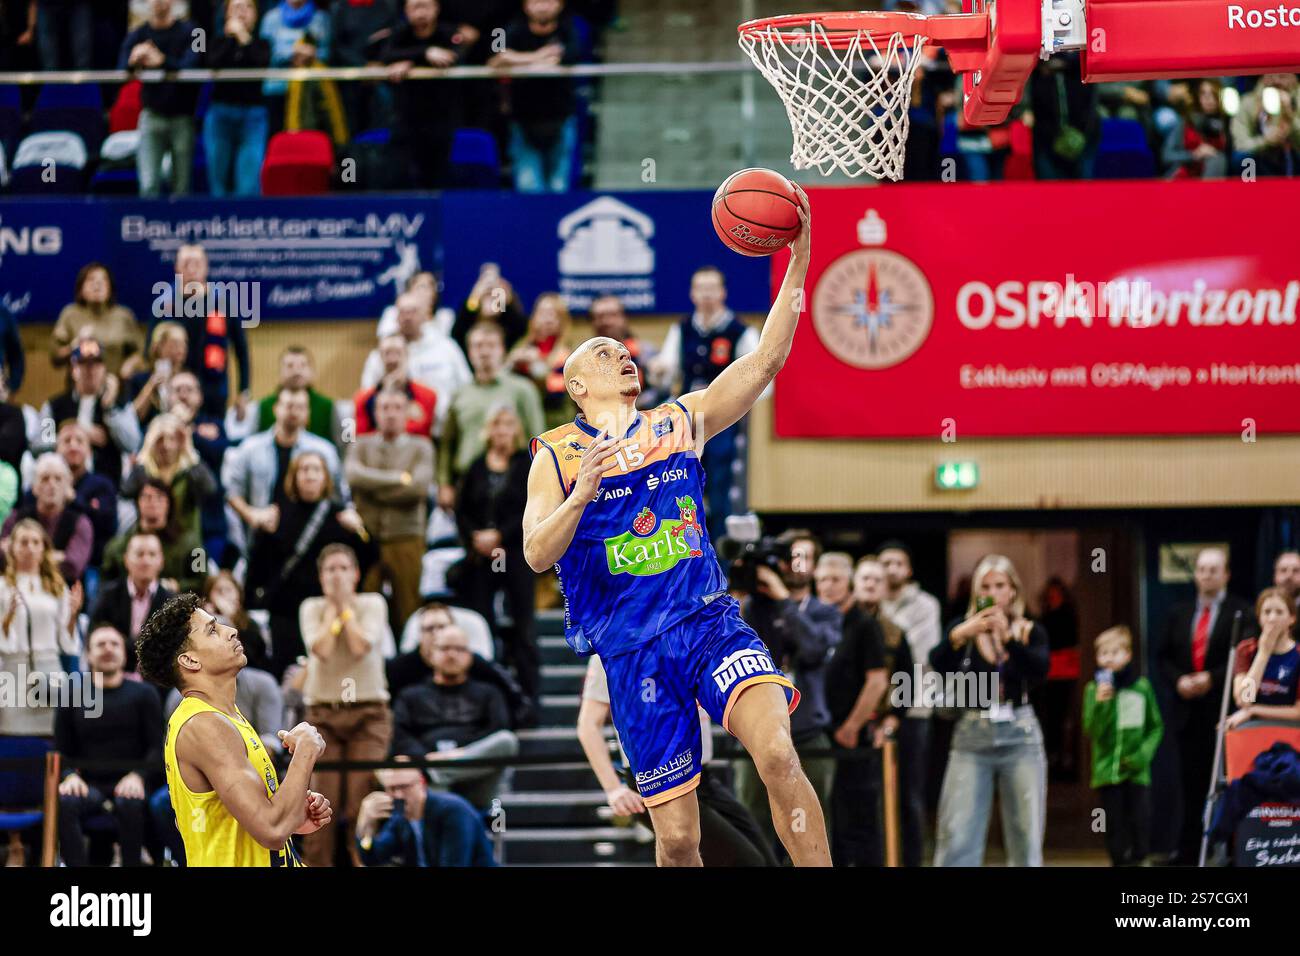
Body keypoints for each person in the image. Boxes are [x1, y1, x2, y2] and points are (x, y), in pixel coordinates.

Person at [522, 190, 829, 867]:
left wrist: (798, 263)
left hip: (707, 619)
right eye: (603, 352)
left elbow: (765, 363)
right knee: (680, 839)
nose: (621, 353)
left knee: (777, 751)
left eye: (623, 348)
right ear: (576, 386)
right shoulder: (556, 452)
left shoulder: (677, 419)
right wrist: (581, 499)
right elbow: (536, 554)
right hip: (633, 651)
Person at [136, 592, 331, 866]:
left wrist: (294, 817)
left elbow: (240, 819)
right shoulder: (204, 725)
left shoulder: (224, 714)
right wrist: (306, 752)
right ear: (190, 661)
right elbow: (271, 829)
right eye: (213, 630)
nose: (232, 631)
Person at [577, 653, 776, 866]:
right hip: (657, 777)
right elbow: (588, 725)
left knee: (766, 859)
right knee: (745, 861)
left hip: (701, 777)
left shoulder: (684, 638)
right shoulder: (611, 648)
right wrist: (613, 789)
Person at [930, 553, 1049, 867]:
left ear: (1012, 591)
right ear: (975, 593)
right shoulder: (962, 630)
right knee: (958, 832)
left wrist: (1008, 640)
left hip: (1021, 736)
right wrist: (961, 634)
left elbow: (1039, 671)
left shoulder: (1028, 630)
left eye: (1000, 585)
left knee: (1025, 833)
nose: (993, 593)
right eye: (985, 586)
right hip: (972, 736)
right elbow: (938, 662)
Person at [731, 530, 840, 860]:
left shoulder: (825, 612)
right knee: (754, 825)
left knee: (811, 826)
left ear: (815, 565)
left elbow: (812, 649)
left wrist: (782, 599)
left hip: (809, 732)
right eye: (788, 558)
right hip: (757, 733)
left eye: (803, 557)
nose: (795, 565)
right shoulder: (754, 609)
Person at [647, 266, 760, 540]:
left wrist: (734, 400)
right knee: (681, 485)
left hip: (723, 422)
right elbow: (667, 370)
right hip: (687, 422)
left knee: (721, 489)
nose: (707, 295)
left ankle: (722, 559)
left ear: (722, 292)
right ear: (692, 294)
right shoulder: (683, 329)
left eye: (712, 288)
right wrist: (659, 369)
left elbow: (759, 378)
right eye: (701, 289)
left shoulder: (739, 331)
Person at [1156, 545, 1253, 864]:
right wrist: (1179, 681)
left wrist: (1211, 678)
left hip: (1224, 714)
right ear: (1195, 574)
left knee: (1228, 785)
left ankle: (1227, 851)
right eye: (1202, 569)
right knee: (1189, 787)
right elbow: (1163, 657)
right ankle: (1187, 853)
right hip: (1186, 716)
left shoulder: (1242, 612)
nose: (1207, 575)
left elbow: (1245, 657)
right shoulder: (1178, 612)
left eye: (1214, 569)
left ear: (1225, 574)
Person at [297, 543, 392, 866]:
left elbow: (360, 646)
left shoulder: (373, 603)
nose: (336, 576)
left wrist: (343, 610)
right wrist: (333, 611)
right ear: (320, 577)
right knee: (320, 805)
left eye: (342, 568)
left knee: (359, 803)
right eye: (329, 570)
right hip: (323, 715)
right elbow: (321, 649)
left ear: (356, 574)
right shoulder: (310, 607)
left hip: (369, 714)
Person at [245, 451, 372, 679]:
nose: (310, 475)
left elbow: (369, 559)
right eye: (304, 470)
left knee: (324, 670)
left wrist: (360, 530)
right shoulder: (277, 514)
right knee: (287, 674)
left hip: (327, 608)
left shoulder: (340, 516)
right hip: (285, 610)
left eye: (316, 470)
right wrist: (262, 531)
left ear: (326, 477)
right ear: (294, 477)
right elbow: (258, 565)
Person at [828, 555, 912, 866]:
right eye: (865, 578)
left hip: (875, 731)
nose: (870, 584)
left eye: (877, 580)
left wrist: (891, 722)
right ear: (854, 583)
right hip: (835, 726)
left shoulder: (893, 632)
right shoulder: (834, 621)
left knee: (874, 810)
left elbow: (905, 682)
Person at [55, 626, 162, 867]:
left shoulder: (145, 694)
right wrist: (69, 775)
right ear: (88, 655)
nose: (108, 649)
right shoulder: (72, 695)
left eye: (114, 644)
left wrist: (139, 776)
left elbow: (158, 747)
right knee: (66, 802)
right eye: (100, 644)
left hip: (132, 784)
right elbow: (61, 749)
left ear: (125, 654)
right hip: (88, 786)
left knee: (130, 802)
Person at [454, 405, 537, 699]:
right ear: (488, 429)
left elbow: (531, 506)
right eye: (496, 424)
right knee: (483, 624)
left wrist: (500, 534)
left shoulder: (526, 464)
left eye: (507, 424)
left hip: (514, 553)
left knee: (522, 627)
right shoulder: (476, 466)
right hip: (481, 558)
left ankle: (528, 696)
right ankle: (492, 694)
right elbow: (461, 509)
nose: (501, 430)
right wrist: (476, 538)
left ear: (516, 429)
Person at [390, 622, 518, 809]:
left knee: (507, 740)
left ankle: (436, 772)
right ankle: (436, 775)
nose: (452, 654)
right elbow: (400, 737)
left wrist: (458, 755)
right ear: (430, 654)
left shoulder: (489, 693)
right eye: (445, 648)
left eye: (459, 649)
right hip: (428, 783)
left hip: (477, 778)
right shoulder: (410, 695)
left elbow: (497, 731)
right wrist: (425, 757)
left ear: (470, 656)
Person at [345, 388, 434, 629]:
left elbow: (417, 488)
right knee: (363, 608)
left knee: (408, 608)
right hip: (367, 539)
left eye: (397, 407)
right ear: (375, 412)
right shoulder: (360, 444)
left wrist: (371, 487)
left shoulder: (422, 446)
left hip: (406, 537)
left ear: (407, 412)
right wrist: (398, 478)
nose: (391, 414)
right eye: (384, 408)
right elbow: (353, 476)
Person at [222, 385, 344, 556]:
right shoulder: (250, 448)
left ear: (308, 412)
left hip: (310, 541)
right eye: (288, 406)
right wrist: (251, 514)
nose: (294, 412)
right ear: (275, 409)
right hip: (262, 539)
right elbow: (231, 491)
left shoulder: (325, 450)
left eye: (300, 407)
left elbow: (339, 495)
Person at [877, 539, 940, 867]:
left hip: (913, 708)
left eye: (897, 563)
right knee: (876, 795)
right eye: (885, 563)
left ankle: (913, 861)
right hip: (876, 710)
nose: (891, 569)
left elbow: (917, 652)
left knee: (910, 796)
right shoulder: (871, 602)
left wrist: (880, 636)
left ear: (909, 569)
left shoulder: (926, 605)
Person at [1082, 625, 1164, 866]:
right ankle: (1118, 861)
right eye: (1103, 653)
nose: (1108, 658)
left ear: (1128, 655)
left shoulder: (1142, 688)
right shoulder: (1092, 690)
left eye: (1115, 652)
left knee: (1140, 821)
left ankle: (1140, 859)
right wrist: (1102, 704)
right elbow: (1092, 730)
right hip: (1107, 772)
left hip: (1137, 772)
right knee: (1111, 824)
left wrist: (1143, 755)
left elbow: (1156, 726)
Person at [438, 322, 544, 507]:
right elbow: (447, 444)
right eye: (478, 346)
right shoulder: (460, 394)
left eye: (491, 346)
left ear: (502, 350)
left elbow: (539, 440)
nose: (484, 352)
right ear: (469, 352)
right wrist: (444, 484)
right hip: (467, 482)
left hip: (512, 483)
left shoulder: (522, 390)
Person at [489, 0, 584, 192]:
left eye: (548, 1)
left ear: (560, 5)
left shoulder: (569, 29)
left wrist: (517, 60)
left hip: (561, 117)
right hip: (523, 118)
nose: (542, 6)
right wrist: (539, 57)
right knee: (528, 185)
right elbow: (496, 59)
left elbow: (571, 55)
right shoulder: (506, 30)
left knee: (559, 186)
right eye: (536, 1)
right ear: (526, 5)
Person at [0, 519, 81, 736]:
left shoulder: (56, 586)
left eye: (35, 542)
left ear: (44, 547)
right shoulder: (3, 586)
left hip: (50, 670)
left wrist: (73, 616)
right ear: (12, 547)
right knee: (12, 738)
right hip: (13, 672)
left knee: (53, 737)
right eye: (23, 542)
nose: (29, 548)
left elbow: (67, 642)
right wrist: (6, 620)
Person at [119, 0, 201, 196]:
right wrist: (133, 61)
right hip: (151, 116)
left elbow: (194, 65)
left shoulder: (195, 32)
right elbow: (121, 70)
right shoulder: (138, 34)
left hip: (183, 118)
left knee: (182, 188)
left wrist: (162, 61)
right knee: (148, 185)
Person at [360, 291, 471, 435]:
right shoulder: (379, 354)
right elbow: (366, 395)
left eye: (413, 311)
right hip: (391, 435)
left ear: (426, 314)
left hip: (442, 430)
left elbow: (466, 385)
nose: (407, 317)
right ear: (396, 316)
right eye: (403, 312)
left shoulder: (446, 347)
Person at [382, 0, 464, 190]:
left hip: (441, 117)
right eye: (414, 7)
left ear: (436, 8)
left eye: (425, 6)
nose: (420, 13)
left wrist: (410, 60)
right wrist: (424, 52)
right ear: (406, 11)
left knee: (439, 175)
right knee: (403, 174)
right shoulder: (399, 34)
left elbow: (456, 56)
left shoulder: (449, 32)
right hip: (406, 117)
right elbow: (384, 55)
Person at [39, 338, 141, 485]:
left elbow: (132, 443)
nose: (90, 370)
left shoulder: (119, 404)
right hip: (62, 485)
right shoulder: (54, 405)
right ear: (73, 369)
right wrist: (71, 437)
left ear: (104, 369)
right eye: (84, 364)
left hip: (107, 485)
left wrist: (110, 408)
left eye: (96, 364)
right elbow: (39, 443)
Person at [168, 245, 253, 418]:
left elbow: (241, 351)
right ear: (177, 268)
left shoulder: (224, 303)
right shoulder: (166, 304)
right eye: (186, 264)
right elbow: (152, 350)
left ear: (206, 266)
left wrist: (243, 391)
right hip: (177, 391)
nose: (192, 269)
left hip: (214, 391)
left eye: (197, 263)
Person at [355, 766, 496, 867]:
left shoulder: (452, 810)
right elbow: (372, 858)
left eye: (404, 787)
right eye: (392, 788)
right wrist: (365, 822)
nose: (398, 795)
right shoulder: (401, 816)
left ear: (421, 783)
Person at [204, 0, 272, 197]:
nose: (242, 13)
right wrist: (230, 37)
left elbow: (261, 63)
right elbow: (212, 63)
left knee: (248, 186)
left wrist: (243, 36)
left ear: (256, 15)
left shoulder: (262, 43)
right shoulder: (216, 42)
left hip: (253, 116)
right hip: (220, 115)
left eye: (248, 7)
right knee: (218, 185)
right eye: (236, 8)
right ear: (226, 15)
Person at [121, 413, 219, 544]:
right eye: (160, 439)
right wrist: (141, 457)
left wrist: (190, 451)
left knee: (199, 563)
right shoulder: (143, 470)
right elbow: (125, 492)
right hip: (149, 544)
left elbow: (210, 489)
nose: (166, 446)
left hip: (189, 543)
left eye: (172, 439)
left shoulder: (191, 469)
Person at [89, 532, 177, 673]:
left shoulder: (172, 603)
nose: (146, 561)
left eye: (152, 555)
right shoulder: (108, 595)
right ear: (126, 560)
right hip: (112, 674)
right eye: (139, 554)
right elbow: (95, 634)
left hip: (157, 680)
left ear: (161, 561)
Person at [2, 454, 94, 585]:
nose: (52, 485)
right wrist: (58, 556)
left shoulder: (81, 523)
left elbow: (72, 566)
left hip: (64, 594)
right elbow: (2, 557)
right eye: (45, 479)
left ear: (68, 486)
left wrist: (22, 555)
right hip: (17, 591)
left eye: (58, 479)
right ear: (34, 487)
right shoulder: (15, 518)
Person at [102, 477, 204, 594]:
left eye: (160, 497)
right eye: (147, 497)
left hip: (177, 604)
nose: (153, 503)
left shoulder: (193, 544)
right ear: (138, 502)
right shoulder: (118, 545)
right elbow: (106, 580)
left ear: (168, 503)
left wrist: (179, 585)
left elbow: (202, 579)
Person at [50, 263, 145, 378]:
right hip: (81, 388)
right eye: (91, 280)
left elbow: (142, 353)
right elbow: (55, 357)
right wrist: (73, 347)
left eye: (103, 280)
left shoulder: (123, 316)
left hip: (116, 386)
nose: (97, 284)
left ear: (110, 289)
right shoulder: (70, 314)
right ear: (81, 289)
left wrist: (130, 364)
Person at [1228, 587, 1300, 728]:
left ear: (1292, 618)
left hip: (1289, 728)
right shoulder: (1246, 649)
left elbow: (1298, 711)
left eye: (1279, 612)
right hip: (1250, 726)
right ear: (1259, 617)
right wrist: (1263, 653)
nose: (1272, 618)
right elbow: (1244, 700)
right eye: (1267, 612)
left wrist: (1253, 711)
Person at [55, 421, 119, 573]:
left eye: (79, 441)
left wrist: (74, 500)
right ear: (57, 449)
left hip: (92, 564)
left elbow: (108, 524)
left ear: (89, 451)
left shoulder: (103, 484)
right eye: (67, 441)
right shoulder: (45, 482)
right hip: (53, 560)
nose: (73, 446)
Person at [260, 0, 333, 131]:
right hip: (277, 89)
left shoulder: (321, 18)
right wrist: (293, 53)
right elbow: (264, 52)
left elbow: (328, 52)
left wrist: (311, 54)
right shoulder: (271, 18)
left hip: (310, 90)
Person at [506, 292, 575, 429]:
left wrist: (536, 365)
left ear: (563, 322)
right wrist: (511, 364)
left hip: (555, 424)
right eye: (543, 314)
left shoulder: (569, 352)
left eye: (554, 315)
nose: (548, 320)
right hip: (521, 423)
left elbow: (556, 393)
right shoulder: (521, 345)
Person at [351, 335, 438, 438]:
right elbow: (360, 437)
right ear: (380, 357)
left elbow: (423, 432)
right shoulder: (363, 399)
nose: (392, 359)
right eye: (387, 353)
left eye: (398, 353)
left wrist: (384, 425)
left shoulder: (427, 395)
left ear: (407, 356)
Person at [253, 346, 337, 444]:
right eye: (290, 366)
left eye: (302, 366)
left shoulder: (327, 406)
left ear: (312, 371)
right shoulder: (264, 406)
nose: (296, 371)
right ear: (280, 372)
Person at [588, 294, 659, 408]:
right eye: (600, 316)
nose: (606, 322)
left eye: (612, 315)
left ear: (624, 318)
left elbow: (660, 392)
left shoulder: (646, 352)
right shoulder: (583, 358)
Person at [1231, 74, 1300, 177]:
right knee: (1242, 158)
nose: (1276, 81)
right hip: (1261, 158)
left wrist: (1290, 116)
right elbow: (1240, 145)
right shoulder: (1248, 102)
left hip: (1292, 156)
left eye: (1283, 76)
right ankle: (1250, 190)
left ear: (1295, 78)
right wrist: (1265, 140)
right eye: (1271, 76)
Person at [129, 321, 190, 428]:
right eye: (175, 344)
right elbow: (132, 418)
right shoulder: (139, 379)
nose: (182, 349)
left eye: (184, 343)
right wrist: (150, 387)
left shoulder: (188, 380)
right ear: (159, 346)